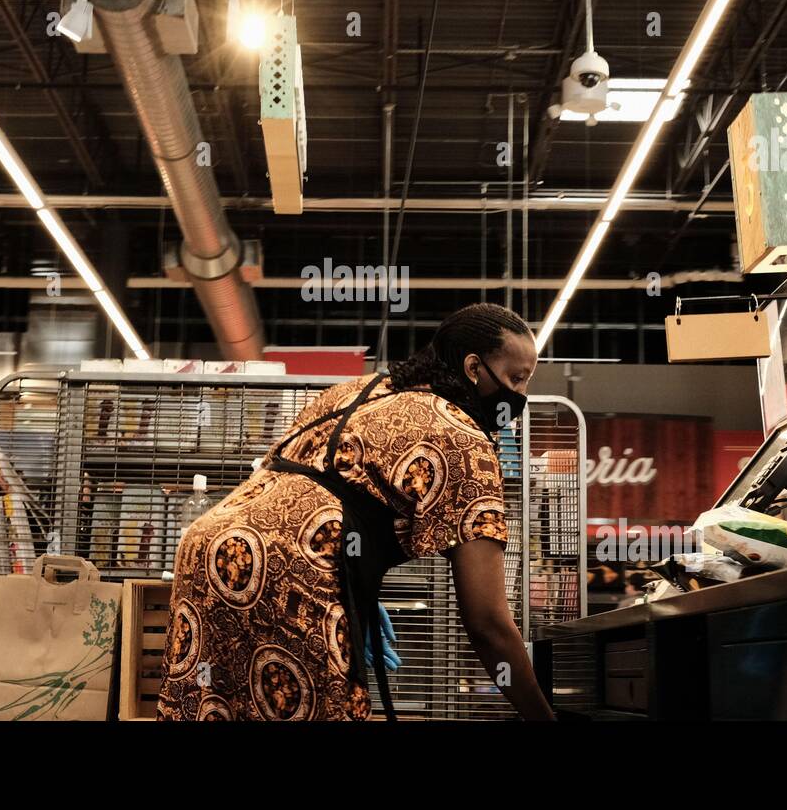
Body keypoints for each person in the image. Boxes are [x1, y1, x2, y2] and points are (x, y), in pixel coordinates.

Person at [157, 303, 557, 721]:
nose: (521, 396)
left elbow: (307, 482)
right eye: (517, 378)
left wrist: (353, 584)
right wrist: (541, 717)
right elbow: (487, 624)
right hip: (291, 568)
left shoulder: (358, 389)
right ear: (474, 368)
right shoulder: (464, 439)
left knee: (213, 700)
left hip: (207, 545)